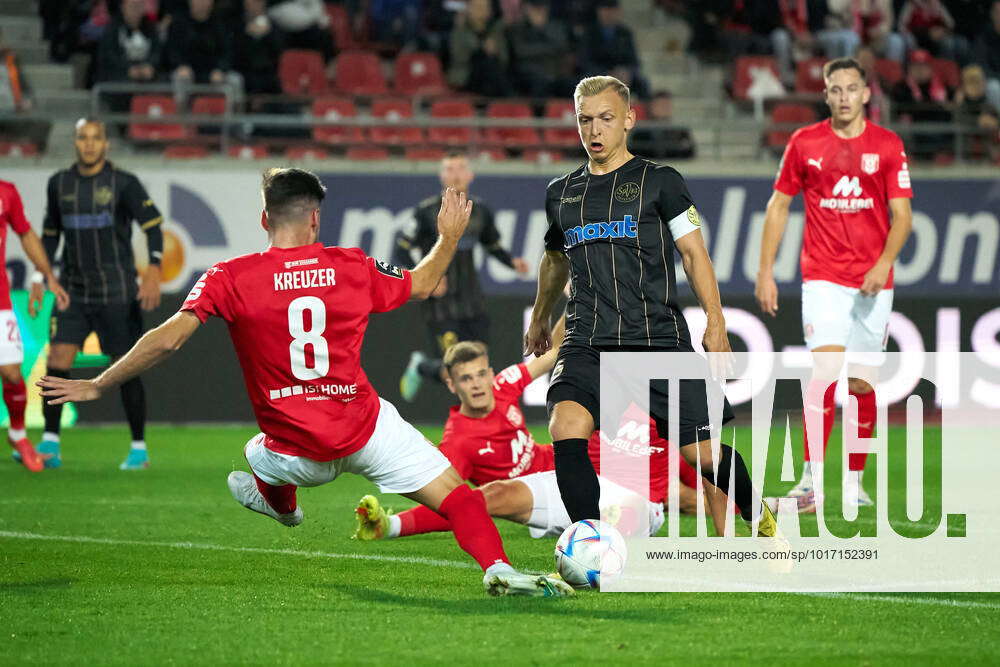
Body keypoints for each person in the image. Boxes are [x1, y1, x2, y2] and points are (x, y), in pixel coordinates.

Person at [38, 169, 572, 598]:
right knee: (459, 498)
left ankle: (283, 505)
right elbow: (426, 282)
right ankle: (497, 566)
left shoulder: (229, 277)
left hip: (300, 452)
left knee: (255, 451)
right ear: (316, 219)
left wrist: (98, 384)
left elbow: (168, 339)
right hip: (367, 430)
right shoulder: (351, 265)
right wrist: (449, 236)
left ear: (264, 217)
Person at [523, 75, 778, 539]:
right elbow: (555, 259)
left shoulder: (660, 182)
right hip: (588, 339)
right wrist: (541, 314)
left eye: (605, 119)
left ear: (628, 120)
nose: (594, 131)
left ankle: (753, 506)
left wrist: (716, 321)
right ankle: (592, 543)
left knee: (702, 455)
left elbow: (694, 254)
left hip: (655, 337)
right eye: (585, 120)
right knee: (565, 426)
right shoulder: (560, 193)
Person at [355, 325, 709, 542]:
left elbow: (554, 353)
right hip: (544, 489)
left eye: (481, 374)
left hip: (571, 460)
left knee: (658, 440)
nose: (479, 385)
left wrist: (573, 299)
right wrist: (396, 521)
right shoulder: (459, 442)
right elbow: (452, 504)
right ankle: (389, 527)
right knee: (488, 496)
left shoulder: (503, 385)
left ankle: (743, 504)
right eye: (466, 378)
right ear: (450, 384)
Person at [755, 57, 914, 512]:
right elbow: (778, 206)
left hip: (873, 282)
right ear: (825, 95)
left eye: (851, 89)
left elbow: (902, 216)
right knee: (825, 375)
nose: (843, 97)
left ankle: (853, 483)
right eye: (835, 89)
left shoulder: (887, 145)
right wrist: (766, 271)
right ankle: (809, 482)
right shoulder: (805, 143)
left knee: (862, 385)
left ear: (866, 94)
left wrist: (883, 264)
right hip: (823, 277)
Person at [38, 118, 165, 470]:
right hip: (73, 291)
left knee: (124, 367)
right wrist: (42, 273)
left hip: (117, 291)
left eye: (96, 138)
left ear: (106, 144)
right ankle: (49, 444)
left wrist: (153, 268)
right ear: (75, 143)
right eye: (83, 138)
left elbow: (154, 227)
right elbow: (50, 234)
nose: (89, 144)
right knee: (58, 360)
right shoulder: (58, 184)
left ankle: (139, 448)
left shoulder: (124, 183)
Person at [395, 152, 529, 402]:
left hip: (472, 300)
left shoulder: (481, 211)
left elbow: (492, 245)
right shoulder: (425, 212)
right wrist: (424, 277)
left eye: (460, 168)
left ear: (470, 174)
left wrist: (511, 262)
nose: (455, 174)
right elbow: (400, 248)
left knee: (479, 366)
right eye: (449, 169)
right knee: (455, 370)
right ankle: (423, 366)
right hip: (440, 305)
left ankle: (480, 428)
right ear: (441, 175)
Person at [1, 181, 69, 472]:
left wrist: (46, 275)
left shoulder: (7, 192)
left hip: (0, 301)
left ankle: (17, 434)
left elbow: (26, 233)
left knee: (12, 372)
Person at [578, 0, 648, 99]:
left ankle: (642, 113)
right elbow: (584, 61)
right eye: (605, 10)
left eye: (612, 10)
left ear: (618, 12)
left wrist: (627, 72)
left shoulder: (625, 33)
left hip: (621, 75)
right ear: (599, 12)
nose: (609, 14)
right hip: (597, 74)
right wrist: (607, 74)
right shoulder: (590, 33)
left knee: (642, 83)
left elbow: (634, 61)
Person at [506, 0, 574, 98]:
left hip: (555, 73)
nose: (539, 11)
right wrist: (550, 48)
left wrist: (542, 29)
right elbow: (521, 51)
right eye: (535, 8)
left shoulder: (556, 26)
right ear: (526, 9)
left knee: (573, 85)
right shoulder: (517, 28)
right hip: (528, 75)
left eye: (542, 7)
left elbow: (563, 46)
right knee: (539, 84)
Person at [446, 0, 512, 97]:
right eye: (478, 7)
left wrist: (495, 52)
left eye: (486, 7)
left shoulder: (496, 31)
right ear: (469, 9)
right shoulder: (460, 30)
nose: (482, 11)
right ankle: (508, 99)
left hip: (492, 77)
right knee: (486, 62)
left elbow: (504, 59)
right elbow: (459, 58)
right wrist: (481, 48)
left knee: (491, 64)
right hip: (467, 75)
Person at [627, 90, 696, 159]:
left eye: (667, 106)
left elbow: (689, 154)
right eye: (660, 105)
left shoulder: (680, 131)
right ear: (651, 107)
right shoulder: (640, 131)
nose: (664, 109)